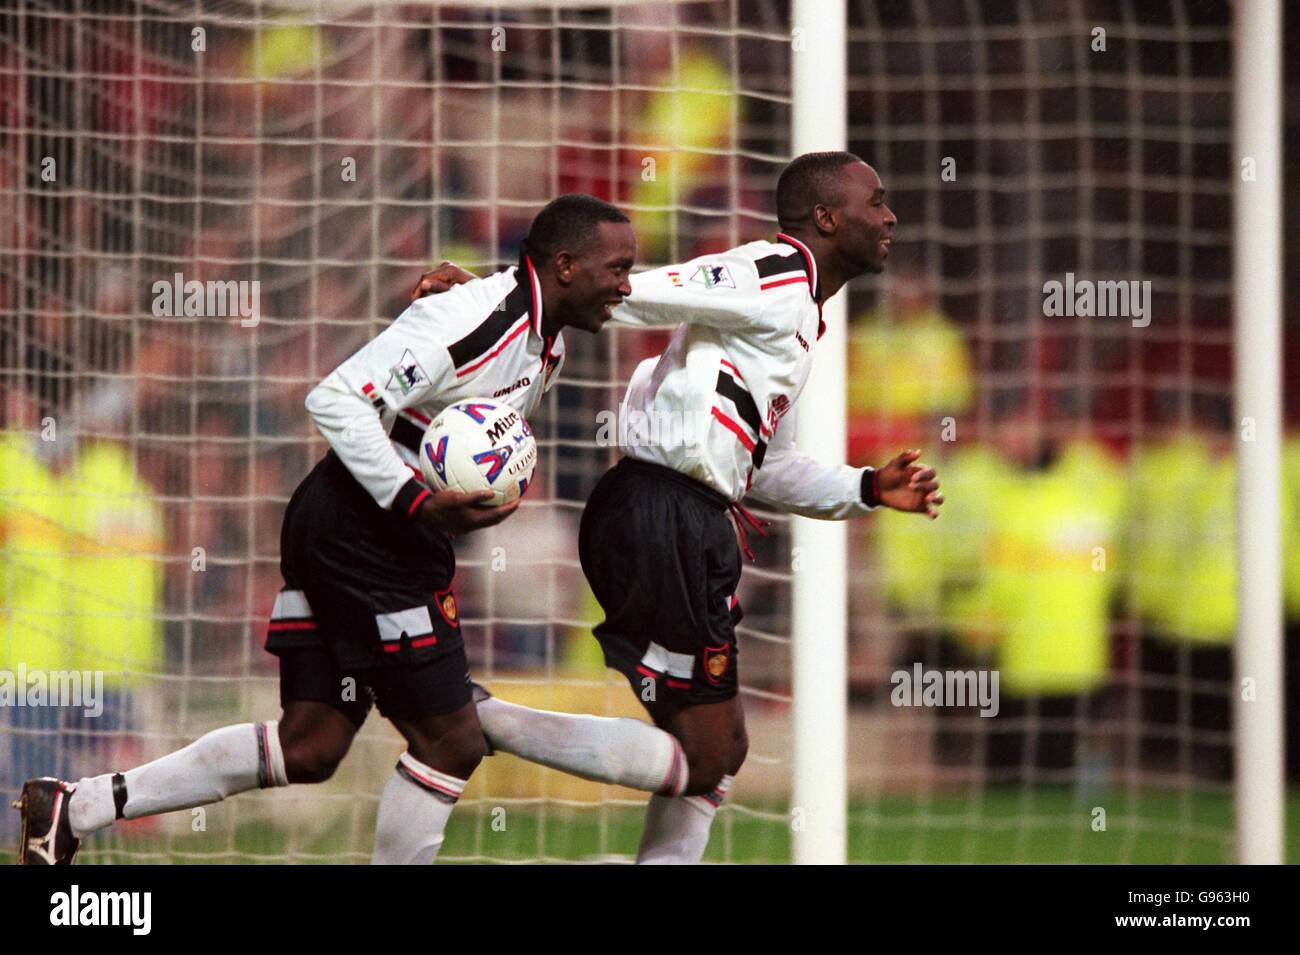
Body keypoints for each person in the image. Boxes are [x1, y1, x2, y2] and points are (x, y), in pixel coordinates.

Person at [17, 194, 637, 865]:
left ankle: (73, 807)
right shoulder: (473, 319)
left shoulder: (547, 346)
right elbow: (335, 398)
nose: (627, 285)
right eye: (619, 268)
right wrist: (414, 503)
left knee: (309, 745)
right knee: (450, 739)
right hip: (364, 532)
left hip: (371, 529)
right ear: (567, 266)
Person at [414, 152, 943, 864]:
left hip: (679, 515)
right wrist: (494, 292)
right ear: (825, 217)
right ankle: (482, 716)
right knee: (705, 751)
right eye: (875, 201)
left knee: (718, 751)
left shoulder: (798, 319)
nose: (890, 216)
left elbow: (769, 467)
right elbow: (630, 287)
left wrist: (866, 488)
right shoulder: (769, 276)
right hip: (662, 515)